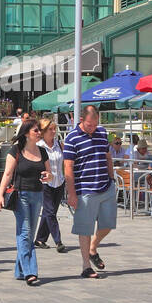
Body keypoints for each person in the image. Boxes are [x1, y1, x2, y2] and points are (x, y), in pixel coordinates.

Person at [63, 104, 117, 279]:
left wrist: (112, 179)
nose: (92, 128)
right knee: (85, 228)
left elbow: (108, 157)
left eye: (95, 124)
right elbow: (68, 167)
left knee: (108, 224)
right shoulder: (72, 138)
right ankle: (86, 265)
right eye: (89, 125)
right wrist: (71, 193)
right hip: (84, 188)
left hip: (105, 185)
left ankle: (93, 247)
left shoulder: (102, 133)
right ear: (81, 120)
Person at [0, 119, 49, 286]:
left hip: (38, 195)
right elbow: (7, 174)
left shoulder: (42, 151)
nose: (39, 133)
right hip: (21, 195)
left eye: (39, 130)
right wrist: (0, 195)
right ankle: (30, 271)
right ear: (26, 133)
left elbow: (50, 173)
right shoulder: (16, 150)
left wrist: (49, 176)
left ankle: (19, 270)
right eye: (36, 130)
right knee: (25, 233)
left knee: (29, 234)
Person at [33, 117, 69, 253]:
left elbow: (64, 162)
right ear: (43, 131)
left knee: (50, 212)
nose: (54, 131)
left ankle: (40, 239)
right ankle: (58, 241)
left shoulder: (59, 144)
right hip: (45, 183)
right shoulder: (38, 146)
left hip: (59, 181)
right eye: (50, 129)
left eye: (55, 129)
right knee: (49, 212)